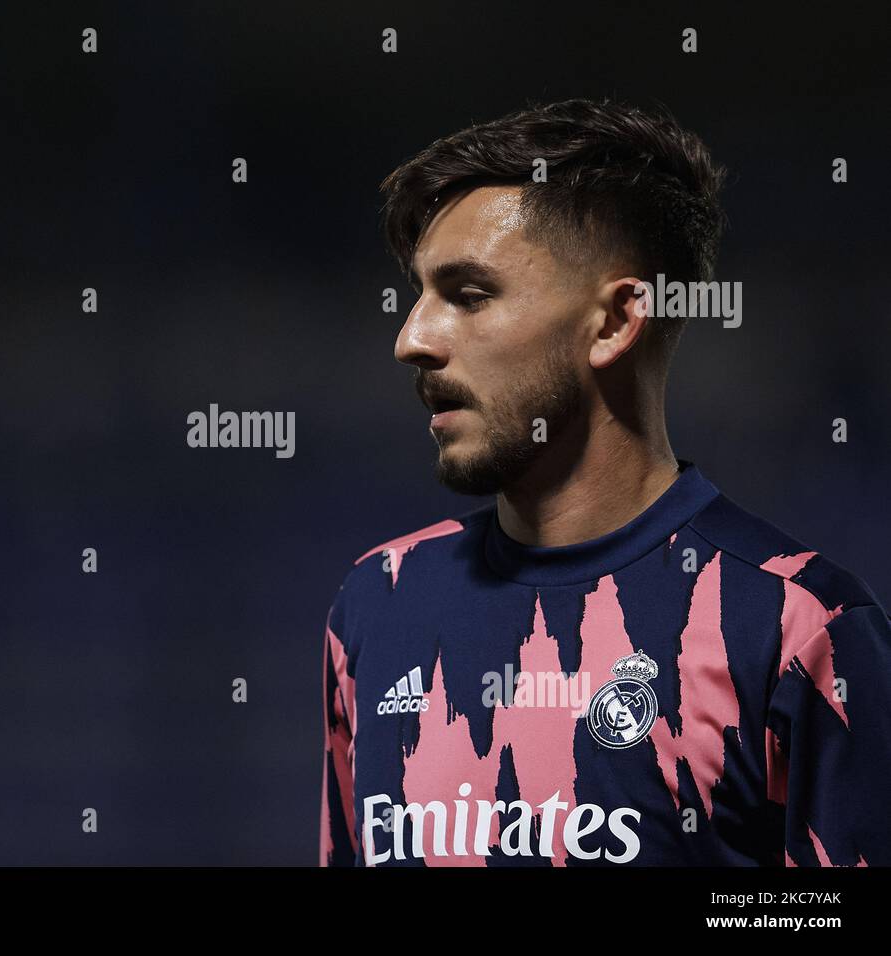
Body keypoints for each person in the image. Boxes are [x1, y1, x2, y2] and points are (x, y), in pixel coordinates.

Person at [320, 98, 891, 866]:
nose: (411, 339)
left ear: (617, 322)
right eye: (419, 294)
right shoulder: (376, 602)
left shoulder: (798, 628)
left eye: (468, 294)